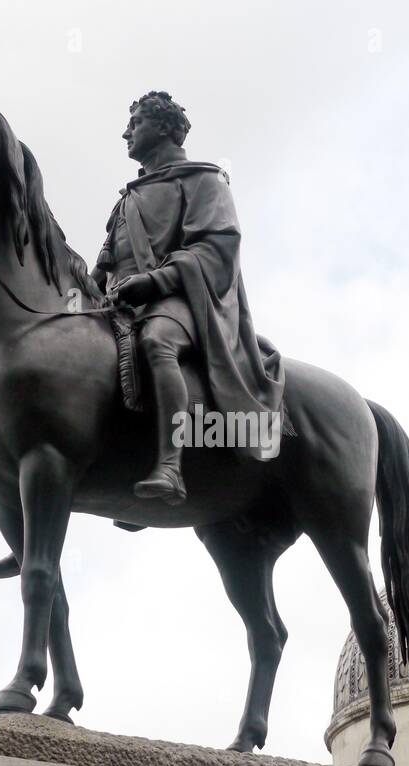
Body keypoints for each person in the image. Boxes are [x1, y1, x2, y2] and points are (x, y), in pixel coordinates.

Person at [92, 91, 285, 505]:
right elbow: (105, 264)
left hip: (181, 302)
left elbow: (216, 251)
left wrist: (155, 282)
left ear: (162, 127)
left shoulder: (205, 180)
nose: (126, 131)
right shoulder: (128, 199)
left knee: (157, 342)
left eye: (136, 122)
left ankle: (169, 466)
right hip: (121, 305)